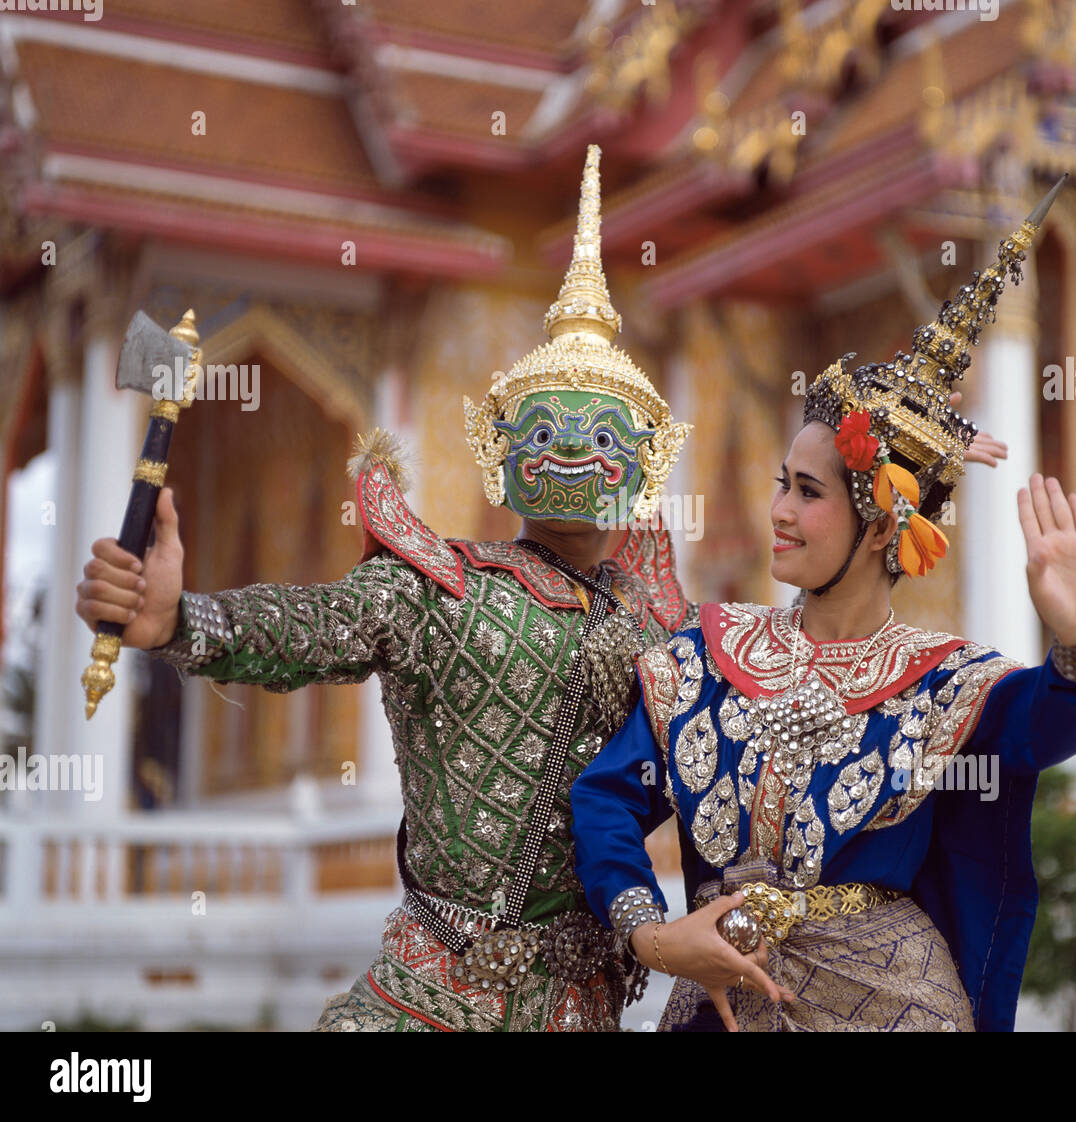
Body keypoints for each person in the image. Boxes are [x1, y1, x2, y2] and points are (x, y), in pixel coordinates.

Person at [73, 145, 697, 1032]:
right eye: (547, 426)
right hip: (428, 999)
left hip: (581, 1007)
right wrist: (183, 618)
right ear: (497, 448)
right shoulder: (438, 588)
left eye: (605, 432)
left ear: (649, 459)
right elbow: (314, 625)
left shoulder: (668, 638)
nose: (573, 449)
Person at [570, 175, 1076, 1032]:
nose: (779, 513)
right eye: (780, 486)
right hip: (721, 999)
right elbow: (609, 797)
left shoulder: (944, 685)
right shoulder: (710, 656)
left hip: (894, 1006)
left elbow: (1053, 723)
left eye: (807, 492)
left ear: (879, 527)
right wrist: (652, 934)